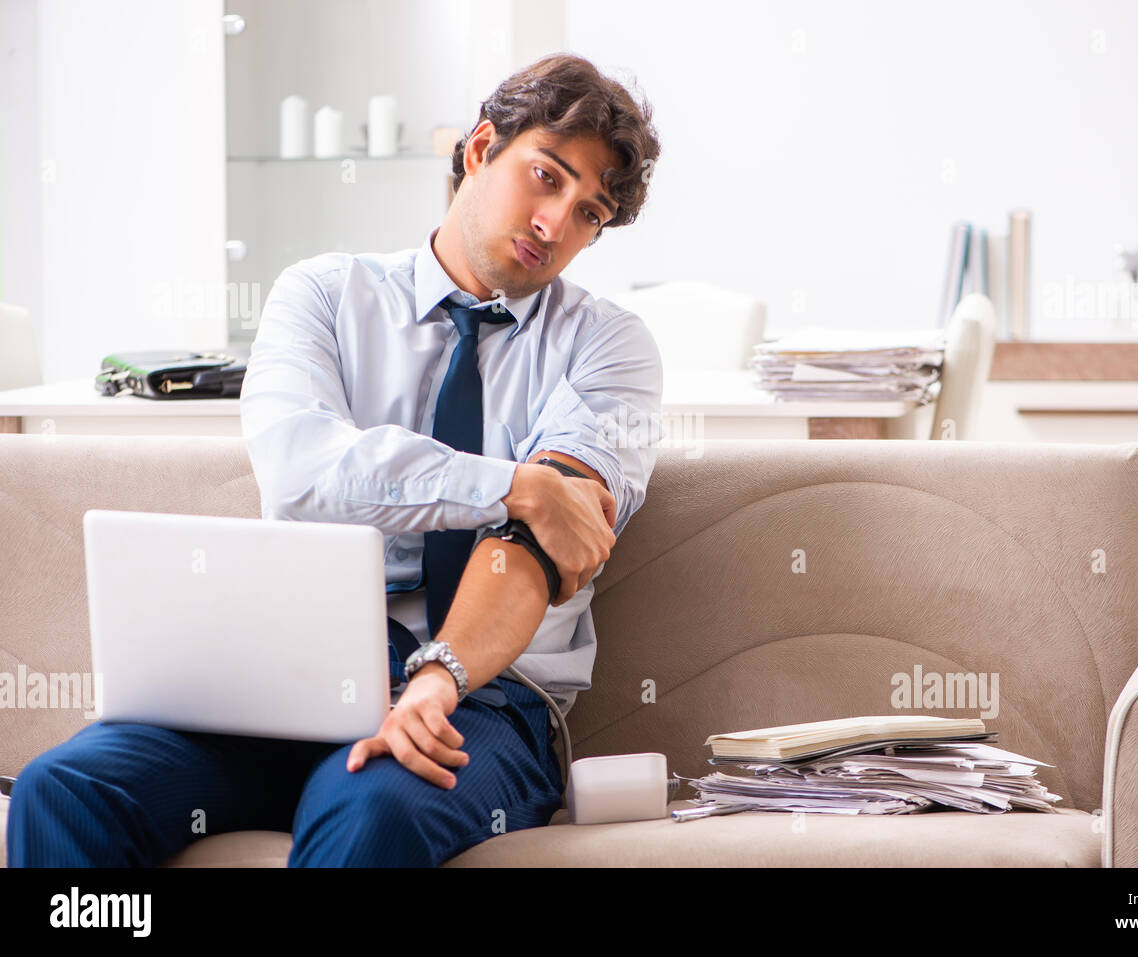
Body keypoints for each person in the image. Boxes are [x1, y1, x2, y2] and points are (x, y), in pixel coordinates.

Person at [7, 52, 663, 867]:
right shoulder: (321, 295)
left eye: (590, 213)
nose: (557, 224)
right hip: (282, 680)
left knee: (370, 814)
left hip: (485, 696)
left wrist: (437, 678)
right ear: (479, 147)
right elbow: (306, 471)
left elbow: (538, 540)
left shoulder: (608, 346)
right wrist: (513, 483)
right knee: (65, 790)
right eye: (546, 176)